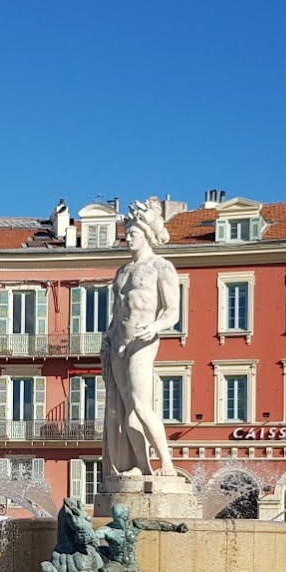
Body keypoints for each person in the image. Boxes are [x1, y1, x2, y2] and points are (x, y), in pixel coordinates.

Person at [101, 198, 180, 477]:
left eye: (133, 233)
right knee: (124, 412)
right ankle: (142, 467)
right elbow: (116, 312)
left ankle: (167, 465)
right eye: (127, 234)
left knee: (142, 405)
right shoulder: (122, 272)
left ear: (146, 234)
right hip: (118, 344)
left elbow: (173, 312)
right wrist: (108, 339)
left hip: (143, 341)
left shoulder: (162, 267)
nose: (128, 239)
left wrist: (155, 326)